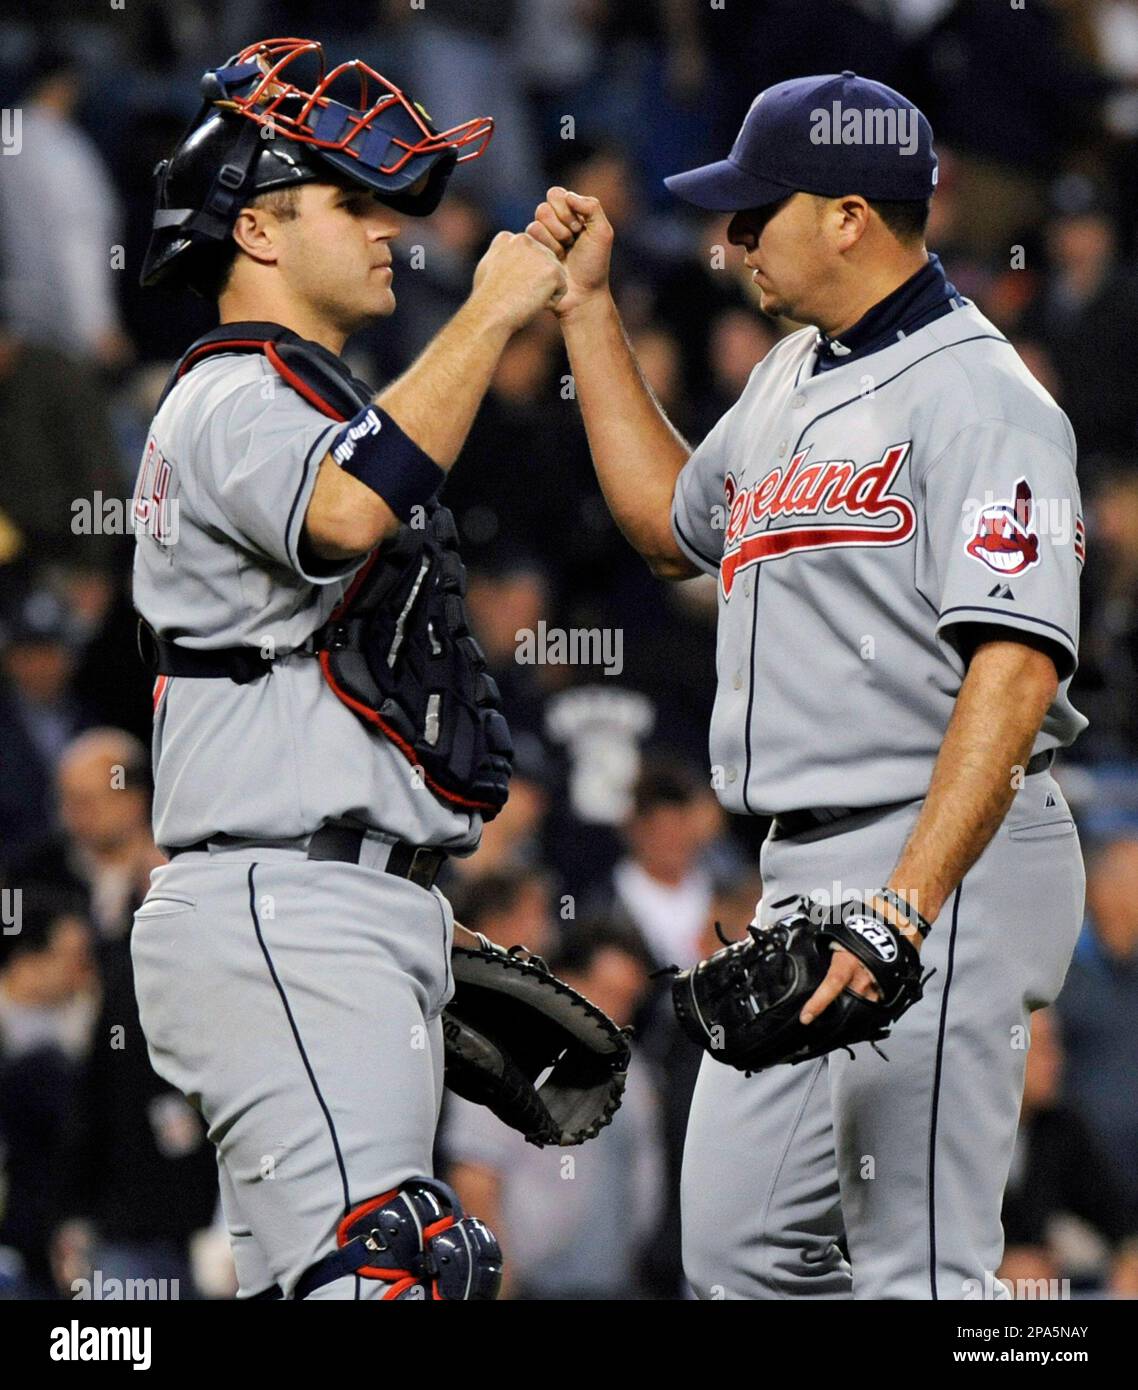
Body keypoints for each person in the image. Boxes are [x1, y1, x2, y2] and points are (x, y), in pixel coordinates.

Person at [523, 71, 1087, 1299]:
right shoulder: (790, 376)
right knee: (736, 1257)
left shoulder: (985, 399)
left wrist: (907, 904)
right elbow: (667, 524)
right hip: (798, 869)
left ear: (847, 214)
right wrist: (583, 312)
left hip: (945, 854)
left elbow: (1018, 664)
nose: (727, 241)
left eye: (753, 212)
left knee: (918, 1269)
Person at [128, 37, 566, 1302]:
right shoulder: (232, 394)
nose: (385, 231)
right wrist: (491, 309)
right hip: (288, 904)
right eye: (349, 202)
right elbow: (340, 517)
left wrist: (407, 913)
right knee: (400, 1271)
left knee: (340, 1278)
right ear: (258, 231)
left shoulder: (296, 396)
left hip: (322, 905)